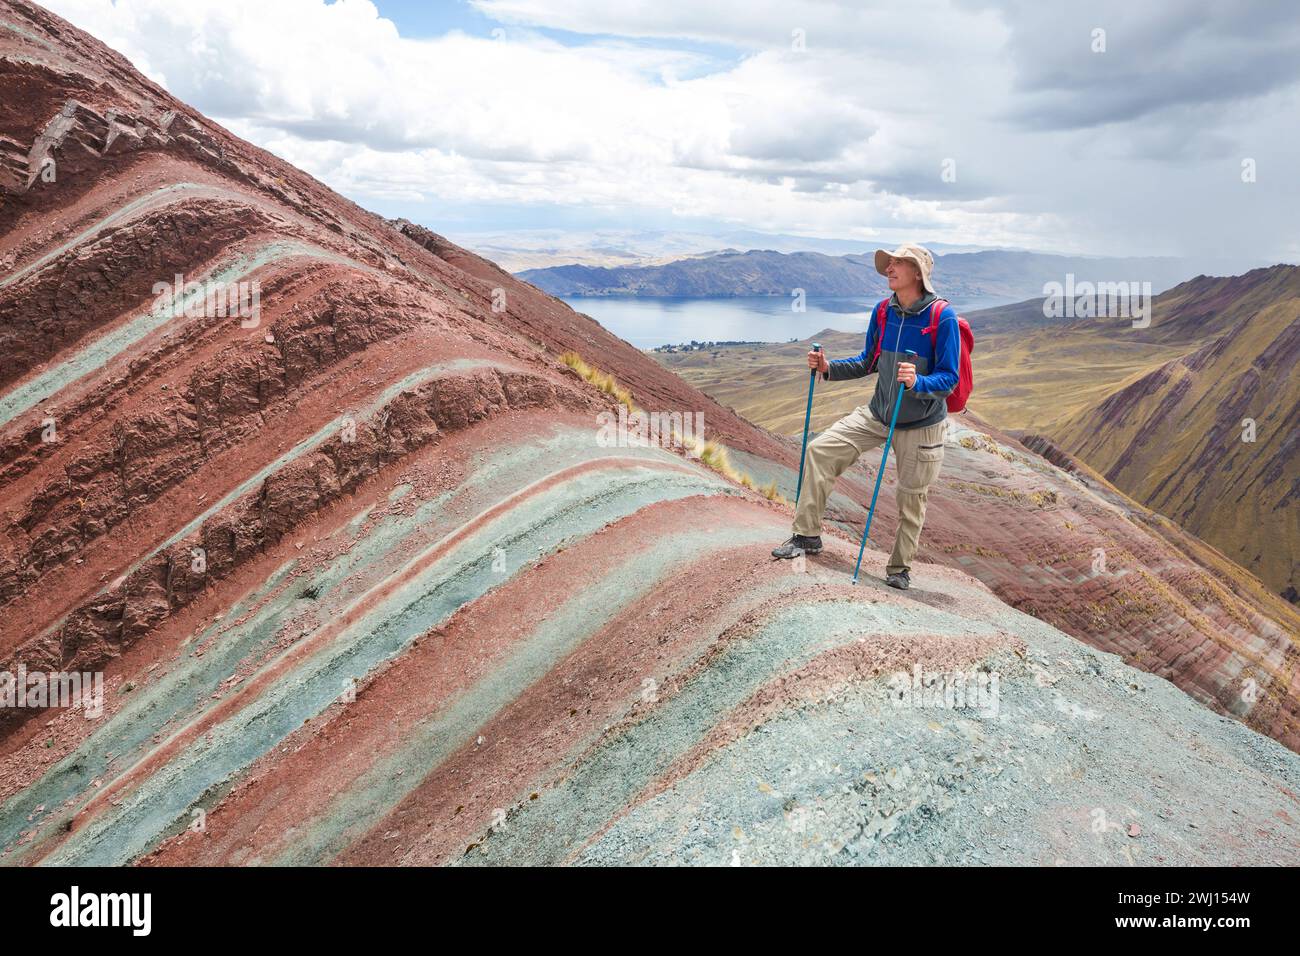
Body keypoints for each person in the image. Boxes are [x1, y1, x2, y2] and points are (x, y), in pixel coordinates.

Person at [771, 243, 959, 590]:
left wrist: (918, 382)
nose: (890, 268)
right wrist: (827, 369)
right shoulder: (883, 311)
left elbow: (950, 378)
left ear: (917, 273)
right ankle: (807, 536)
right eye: (889, 263)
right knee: (820, 451)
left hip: (921, 425)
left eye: (899, 263)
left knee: (911, 497)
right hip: (878, 414)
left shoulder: (940, 318)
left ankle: (899, 569)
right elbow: (867, 361)